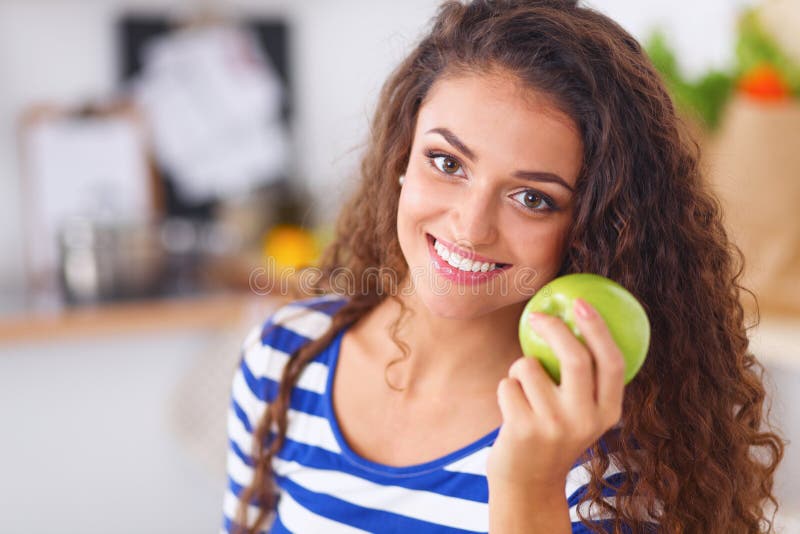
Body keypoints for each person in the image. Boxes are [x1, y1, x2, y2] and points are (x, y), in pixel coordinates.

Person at [221, 1, 786, 532]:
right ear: (402, 157)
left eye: (533, 198)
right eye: (447, 162)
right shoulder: (286, 358)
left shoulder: (611, 468)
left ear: (591, 228)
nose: (470, 226)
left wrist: (528, 482)